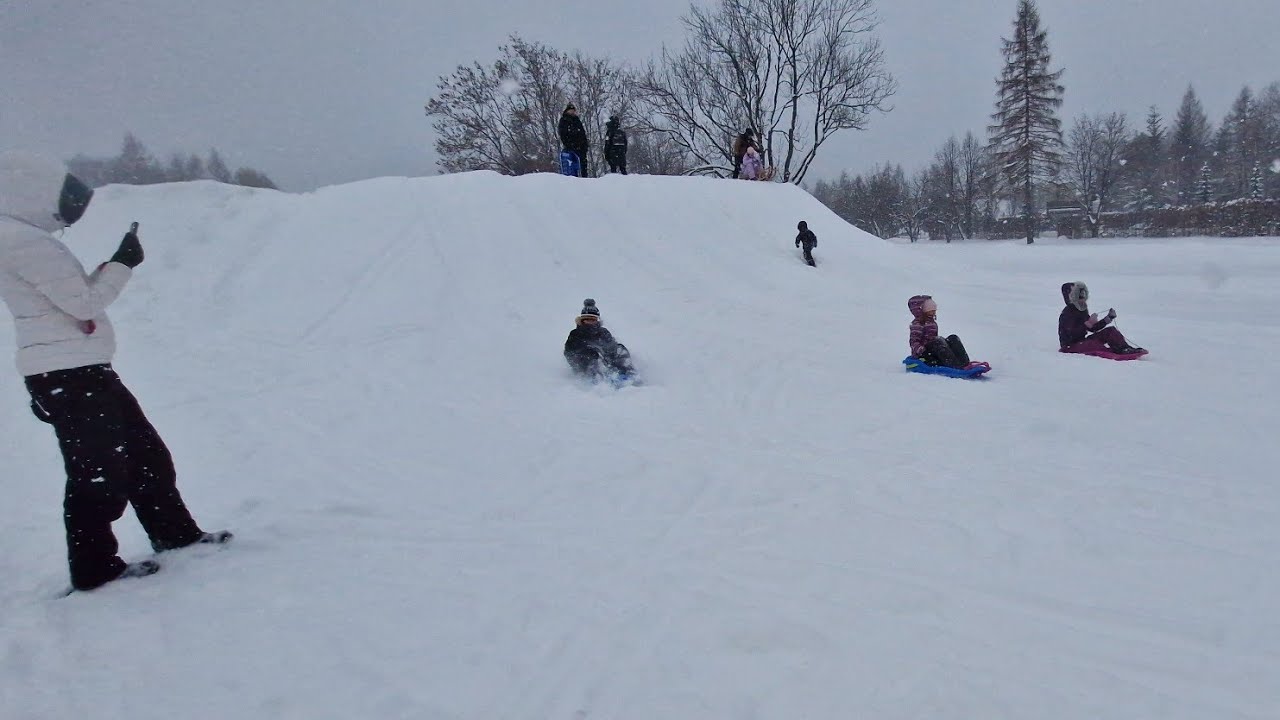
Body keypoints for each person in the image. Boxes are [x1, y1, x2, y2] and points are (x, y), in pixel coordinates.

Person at [0, 151, 229, 592]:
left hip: (77, 368)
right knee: (97, 473)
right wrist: (124, 263)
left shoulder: (19, 235)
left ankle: (174, 533)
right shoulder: (18, 239)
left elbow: (67, 298)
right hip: (69, 372)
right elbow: (84, 304)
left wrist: (105, 271)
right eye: (67, 201)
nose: (70, 212)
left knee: (146, 456)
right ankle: (93, 568)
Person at [1058, 282, 1146, 356]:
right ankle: (1112, 352)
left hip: (1082, 342)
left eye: (1083, 295)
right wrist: (1086, 324)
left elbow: (1092, 328)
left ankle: (1124, 349)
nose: (1082, 299)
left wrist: (1108, 318)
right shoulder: (1067, 313)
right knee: (1092, 344)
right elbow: (1069, 334)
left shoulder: (1082, 310)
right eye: (1079, 296)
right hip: (1070, 347)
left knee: (1111, 331)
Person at [563, 299, 634, 380]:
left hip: (605, 362)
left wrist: (612, 352)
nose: (590, 322)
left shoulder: (604, 332)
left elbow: (612, 346)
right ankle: (598, 380)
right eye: (587, 320)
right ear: (582, 321)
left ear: (597, 320)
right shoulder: (576, 334)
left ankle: (629, 374)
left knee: (620, 349)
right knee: (593, 354)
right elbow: (569, 352)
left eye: (592, 320)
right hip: (585, 365)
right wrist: (583, 354)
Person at [907, 294, 973, 369]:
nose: (934, 312)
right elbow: (914, 342)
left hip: (933, 351)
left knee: (953, 338)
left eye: (934, 310)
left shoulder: (932, 322)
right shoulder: (917, 324)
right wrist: (923, 352)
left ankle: (964, 363)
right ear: (922, 310)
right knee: (937, 341)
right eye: (931, 311)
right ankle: (954, 366)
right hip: (925, 356)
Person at [558, 103, 590, 178]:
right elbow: (563, 134)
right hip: (571, 146)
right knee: (572, 165)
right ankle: (574, 178)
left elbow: (582, 132)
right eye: (571, 110)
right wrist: (568, 144)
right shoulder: (564, 120)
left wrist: (585, 144)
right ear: (567, 111)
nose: (572, 112)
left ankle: (584, 177)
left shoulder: (576, 120)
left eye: (573, 111)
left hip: (581, 146)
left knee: (583, 163)